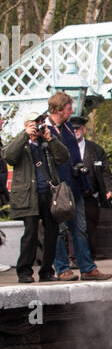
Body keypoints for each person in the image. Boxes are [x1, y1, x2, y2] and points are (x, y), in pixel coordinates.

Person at [46, 91, 111, 282]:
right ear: (58, 109)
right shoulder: (47, 128)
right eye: (68, 108)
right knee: (59, 230)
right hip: (57, 187)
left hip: (74, 185)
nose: (71, 111)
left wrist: (84, 185)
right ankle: (62, 268)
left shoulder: (66, 127)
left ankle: (87, 267)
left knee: (80, 228)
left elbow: (75, 159)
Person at [1, 110, 70, 283]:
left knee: (52, 233)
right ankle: (24, 272)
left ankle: (47, 271)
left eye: (41, 121)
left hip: (49, 194)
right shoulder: (20, 142)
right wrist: (25, 136)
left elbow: (64, 157)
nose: (39, 124)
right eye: (36, 121)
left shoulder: (46, 142)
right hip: (28, 196)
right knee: (30, 234)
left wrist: (50, 139)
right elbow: (9, 156)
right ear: (26, 125)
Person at [69, 114, 112, 260]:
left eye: (78, 128)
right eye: (73, 129)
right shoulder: (64, 148)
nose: (75, 131)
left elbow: (105, 171)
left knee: (90, 227)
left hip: (90, 195)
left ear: (83, 129)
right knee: (73, 227)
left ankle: (88, 256)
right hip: (71, 194)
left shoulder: (95, 149)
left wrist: (109, 189)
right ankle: (75, 258)